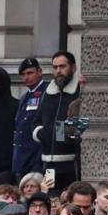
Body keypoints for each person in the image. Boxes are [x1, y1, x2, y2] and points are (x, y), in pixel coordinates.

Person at [32, 51, 83, 190]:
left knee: (70, 202)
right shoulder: (47, 94)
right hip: (48, 163)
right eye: (55, 67)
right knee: (50, 200)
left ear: (73, 68)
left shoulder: (81, 91)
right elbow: (36, 121)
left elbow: (85, 123)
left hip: (71, 163)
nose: (58, 71)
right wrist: (42, 134)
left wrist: (63, 135)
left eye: (62, 66)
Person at [13, 58, 49, 178]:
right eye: (23, 74)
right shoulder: (25, 97)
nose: (26, 77)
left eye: (30, 73)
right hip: (22, 160)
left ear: (39, 72)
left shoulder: (48, 92)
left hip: (38, 159)